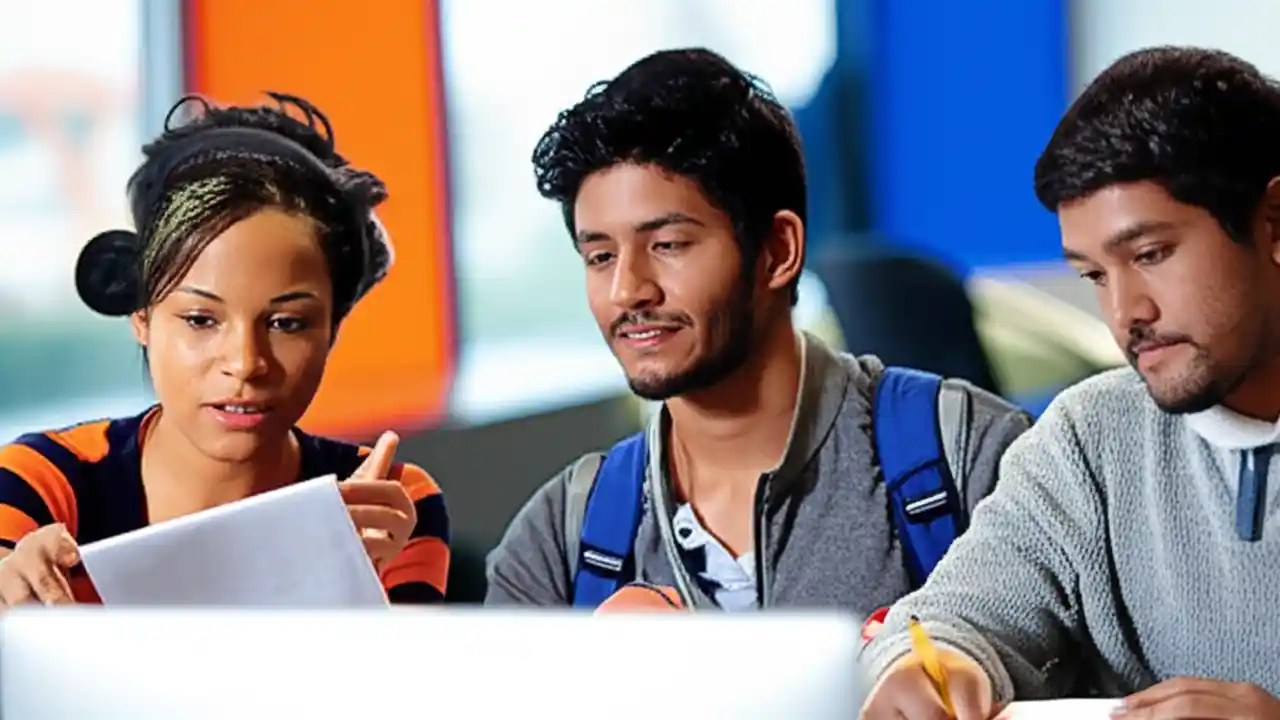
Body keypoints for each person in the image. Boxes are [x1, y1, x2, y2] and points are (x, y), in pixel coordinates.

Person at [484, 48, 1030, 613]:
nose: (628, 290)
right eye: (599, 256)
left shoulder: (971, 461)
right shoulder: (560, 543)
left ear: (778, 251)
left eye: (667, 245)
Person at [860, 46, 1280, 720]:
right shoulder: (1091, 437)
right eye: (1094, 275)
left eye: (1150, 255)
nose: (1125, 314)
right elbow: (951, 616)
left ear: (1274, 222)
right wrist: (930, 663)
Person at [0, 93, 450, 608]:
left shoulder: (384, 498)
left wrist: (347, 586)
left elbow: (390, 687)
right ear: (141, 317)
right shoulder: (43, 480)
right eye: (200, 320)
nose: (245, 362)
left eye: (286, 323)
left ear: (332, 328)